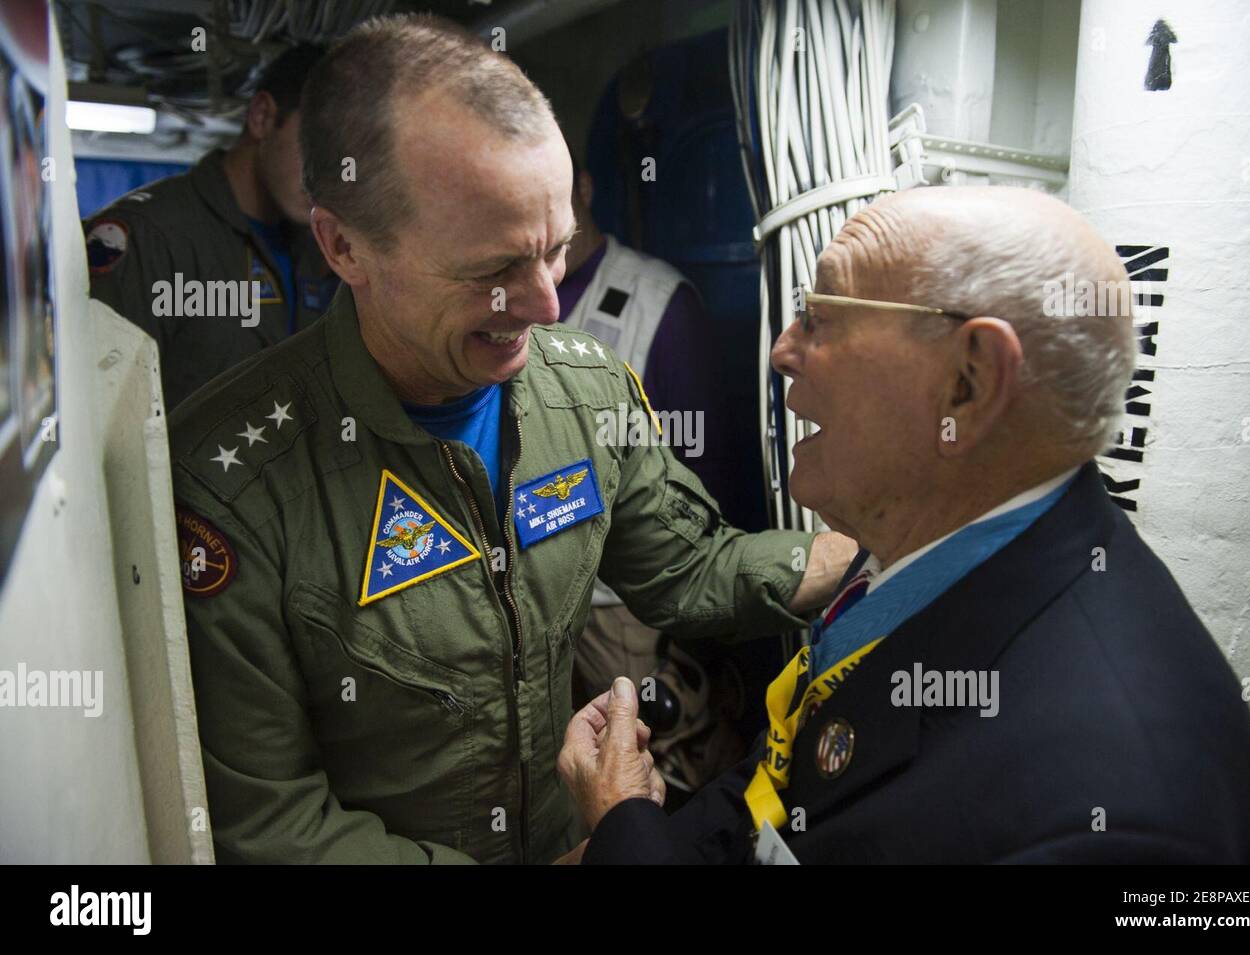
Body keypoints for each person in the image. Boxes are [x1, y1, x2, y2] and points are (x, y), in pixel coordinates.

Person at [168, 14, 856, 865]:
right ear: (345, 245)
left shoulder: (586, 390)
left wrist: (864, 556)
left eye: (556, 251)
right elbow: (273, 825)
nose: (544, 306)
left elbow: (688, 569)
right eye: (495, 271)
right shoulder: (234, 484)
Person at [558, 186, 1250, 864]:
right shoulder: (915, 563)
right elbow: (784, 794)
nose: (782, 350)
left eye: (821, 317)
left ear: (970, 379)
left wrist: (625, 823)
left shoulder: (1117, 815)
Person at [560, 146, 753, 793]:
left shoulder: (658, 302)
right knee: (579, 773)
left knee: (665, 766)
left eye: (554, 192)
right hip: (546, 598)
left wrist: (696, 633)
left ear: (584, 186)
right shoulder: (509, 298)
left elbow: (706, 481)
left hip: (629, 605)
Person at [84, 44, 337, 410]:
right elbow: (102, 419)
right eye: (319, 144)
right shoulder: (150, 237)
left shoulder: (322, 247)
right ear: (263, 116)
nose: (328, 175)